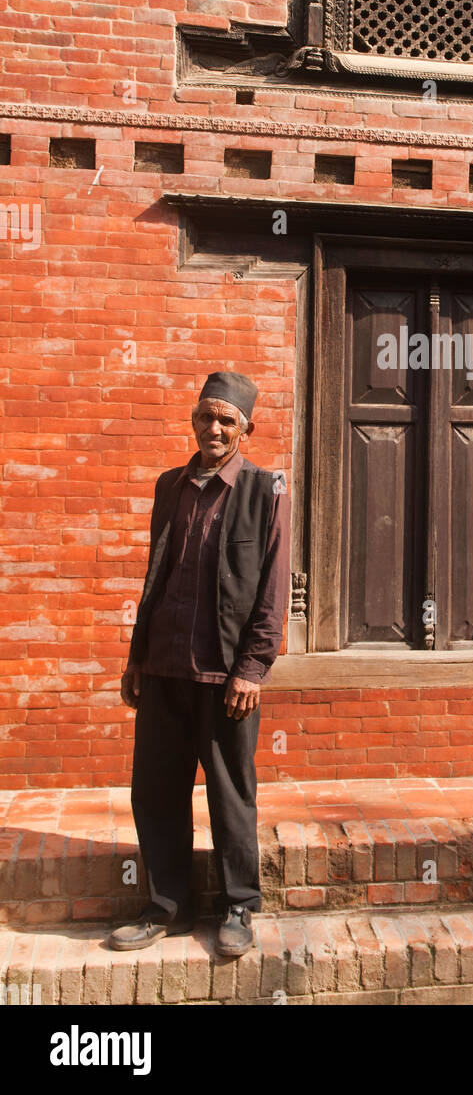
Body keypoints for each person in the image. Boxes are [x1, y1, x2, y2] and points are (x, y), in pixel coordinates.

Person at [110, 371, 290, 958]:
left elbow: (273, 589)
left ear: (246, 429)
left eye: (226, 420)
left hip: (226, 676)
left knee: (231, 792)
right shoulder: (171, 486)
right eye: (205, 416)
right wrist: (138, 657)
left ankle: (238, 906)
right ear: (194, 419)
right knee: (155, 789)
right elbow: (154, 576)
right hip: (164, 666)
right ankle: (167, 906)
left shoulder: (267, 491)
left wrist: (253, 668)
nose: (213, 428)